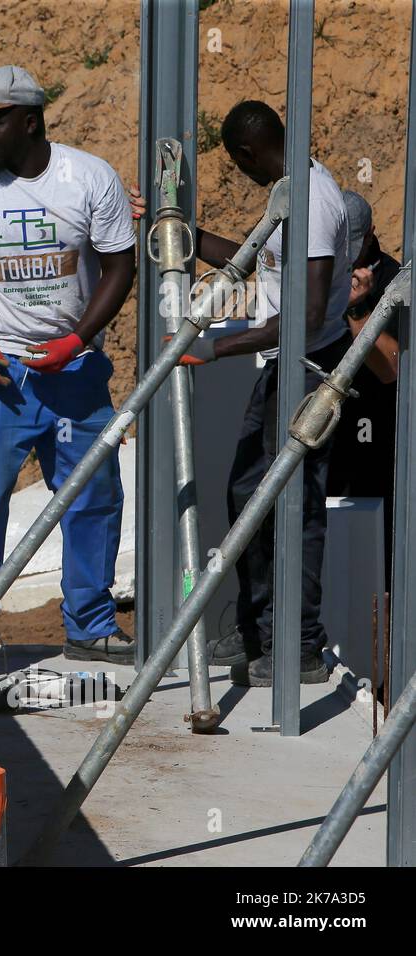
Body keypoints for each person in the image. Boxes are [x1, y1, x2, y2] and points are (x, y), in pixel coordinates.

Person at [0, 65, 137, 663]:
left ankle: (90, 625)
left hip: (72, 373)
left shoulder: (89, 179)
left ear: (31, 120)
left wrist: (80, 339)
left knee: (91, 495)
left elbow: (120, 265)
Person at [159, 101, 353, 686]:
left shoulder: (313, 201)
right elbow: (249, 262)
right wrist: (178, 237)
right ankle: (260, 631)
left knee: (292, 504)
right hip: (283, 362)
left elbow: (310, 314)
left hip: (307, 363)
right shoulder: (290, 192)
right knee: (251, 492)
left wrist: (215, 348)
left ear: (246, 153)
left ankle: (299, 645)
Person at [327, 191, 401, 585]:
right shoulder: (319, 272)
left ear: (372, 234)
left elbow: (392, 366)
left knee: (379, 567)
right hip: (327, 437)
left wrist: (358, 311)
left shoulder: (395, 280)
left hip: (378, 441)